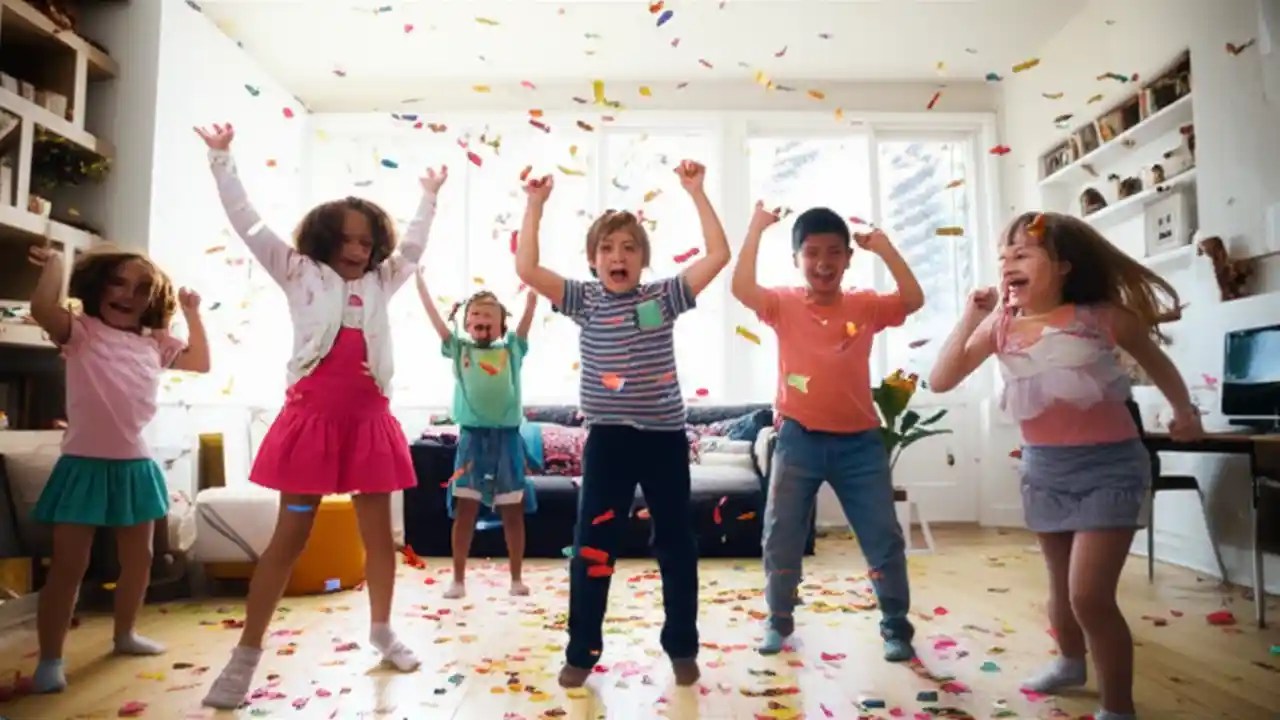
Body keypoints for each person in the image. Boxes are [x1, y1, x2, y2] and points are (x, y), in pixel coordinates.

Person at [193, 123, 446, 709]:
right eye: (347, 240)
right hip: (312, 424)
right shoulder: (297, 271)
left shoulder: (384, 282)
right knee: (291, 536)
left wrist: (429, 197)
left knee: (378, 536)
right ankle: (245, 655)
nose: (358, 251)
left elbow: (412, 247)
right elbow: (248, 223)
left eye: (366, 242)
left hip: (369, 425)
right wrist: (221, 159)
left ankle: (382, 629)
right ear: (326, 240)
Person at [928, 211, 1202, 720]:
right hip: (1045, 468)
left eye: (1023, 252)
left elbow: (1161, 364)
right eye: (1003, 255)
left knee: (1089, 595)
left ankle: (1119, 708)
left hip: (1110, 467)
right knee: (1059, 588)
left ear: (1064, 267)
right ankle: (1071, 662)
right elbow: (941, 380)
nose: (1009, 262)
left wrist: (1184, 411)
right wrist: (970, 316)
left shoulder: (1104, 318)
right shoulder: (1001, 325)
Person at [515, 160, 730, 688]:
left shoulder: (663, 298)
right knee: (593, 546)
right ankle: (582, 651)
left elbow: (719, 255)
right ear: (593, 261)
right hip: (608, 441)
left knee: (676, 542)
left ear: (642, 260)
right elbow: (527, 269)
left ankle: (681, 644)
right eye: (608, 248)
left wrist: (696, 192)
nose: (619, 256)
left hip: (663, 440)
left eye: (629, 248)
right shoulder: (583, 300)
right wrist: (535, 205)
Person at [731, 202, 924, 661]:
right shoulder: (782, 304)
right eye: (812, 253)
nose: (823, 263)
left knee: (882, 536)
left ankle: (895, 623)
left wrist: (885, 247)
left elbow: (913, 299)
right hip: (798, 438)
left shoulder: (865, 304)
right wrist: (756, 226)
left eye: (834, 252)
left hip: (860, 443)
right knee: (781, 533)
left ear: (847, 259)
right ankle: (779, 620)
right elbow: (740, 287)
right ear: (798, 259)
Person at [25, 244, 210, 693]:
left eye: (143, 289)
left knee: (140, 560)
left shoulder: (154, 344)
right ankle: (50, 658)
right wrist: (55, 266)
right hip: (84, 465)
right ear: (97, 286)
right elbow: (41, 307)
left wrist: (192, 314)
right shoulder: (81, 332)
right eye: (119, 282)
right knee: (70, 565)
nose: (129, 294)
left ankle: (125, 634)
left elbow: (202, 363)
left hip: (136, 465)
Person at [415, 272, 538, 599]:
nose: (483, 328)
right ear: (468, 324)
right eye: (477, 322)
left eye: (489, 322)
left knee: (512, 510)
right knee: (465, 508)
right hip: (471, 439)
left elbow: (525, 323)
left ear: (501, 325)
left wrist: (532, 298)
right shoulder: (460, 350)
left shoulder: (512, 349)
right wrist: (422, 287)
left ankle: (515, 578)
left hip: (507, 439)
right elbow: (437, 323)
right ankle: (457, 578)